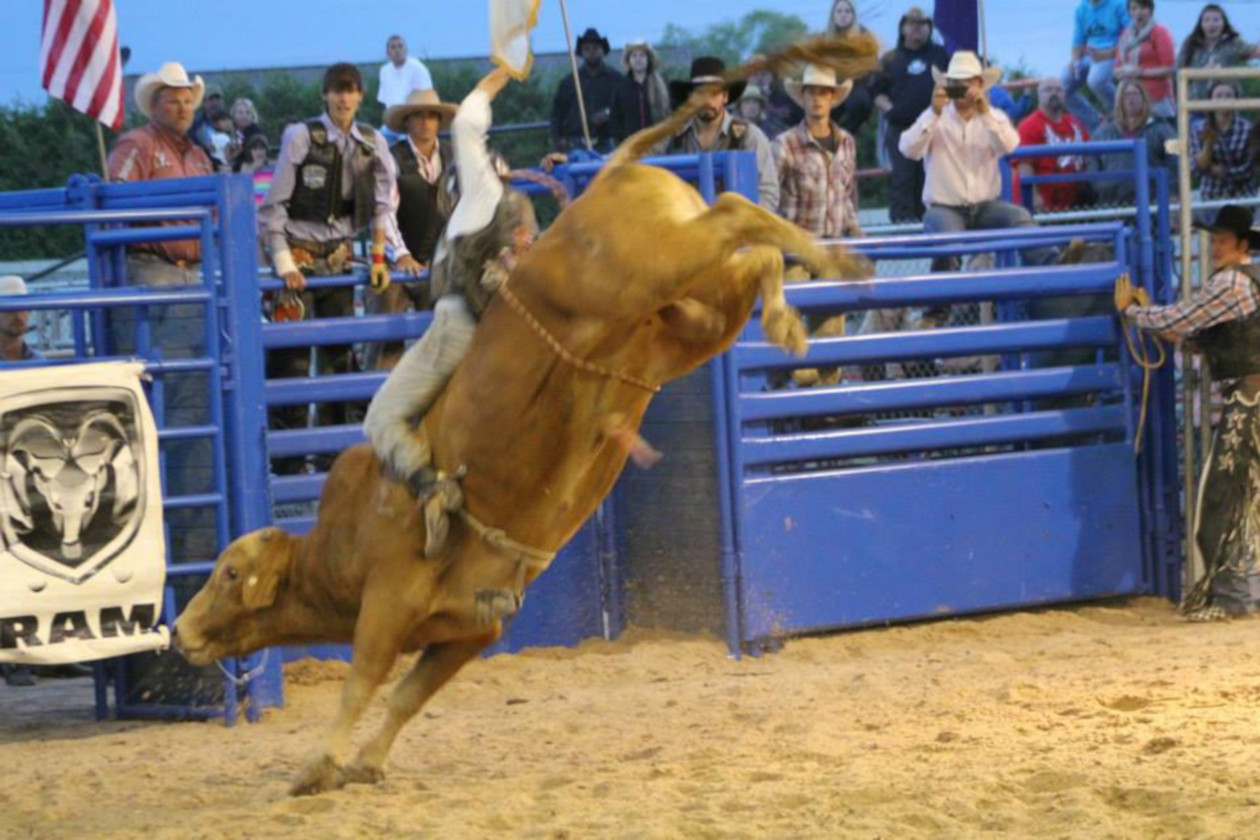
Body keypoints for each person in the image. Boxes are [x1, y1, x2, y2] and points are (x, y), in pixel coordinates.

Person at [364, 68, 540, 555]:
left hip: (459, 325)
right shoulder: (521, 220)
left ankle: (432, 487)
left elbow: (465, 125)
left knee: (383, 418)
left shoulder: (480, 195)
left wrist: (498, 77)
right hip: (502, 334)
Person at [259, 62, 411, 474]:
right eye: (337, 91)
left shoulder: (371, 143)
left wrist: (378, 256)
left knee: (338, 356)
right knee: (290, 357)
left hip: (340, 258)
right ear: (326, 96)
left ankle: (333, 456)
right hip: (299, 253)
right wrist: (284, 261)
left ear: (361, 96)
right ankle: (286, 461)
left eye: (351, 91)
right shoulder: (300, 137)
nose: (344, 98)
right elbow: (273, 207)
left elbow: (383, 203)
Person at [1119, 205, 1260, 621]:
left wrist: (1133, 313)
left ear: (1241, 245)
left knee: (1222, 498)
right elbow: (1192, 332)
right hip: (1248, 395)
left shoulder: (1231, 284)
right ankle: (1238, 593)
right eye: (1214, 240)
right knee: (1241, 499)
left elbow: (1181, 317)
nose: (1215, 247)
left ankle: (1233, 597)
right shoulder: (1246, 282)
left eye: (1222, 241)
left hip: (1249, 401)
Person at [107, 62, 217, 564]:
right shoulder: (137, 146)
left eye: (187, 99)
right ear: (153, 105)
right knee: (171, 395)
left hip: (190, 274)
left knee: (194, 398)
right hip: (151, 269)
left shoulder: (198, 154)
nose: (182, 107)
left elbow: (214, 212)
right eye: (172, 100)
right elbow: (114, 199)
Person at [900, 51, 1055, 273]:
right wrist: (934, 112)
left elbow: (1010, 145)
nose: (962, 88)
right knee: (948, 246)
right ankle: (940, 305)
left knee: (1019, 217)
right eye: (956, 83)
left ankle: (1056, 265)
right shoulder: (934, 116)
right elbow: (907, 149)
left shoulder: (994, 116)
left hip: (986, 206)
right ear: (948, 86)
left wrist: (985, 113)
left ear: (979, 85)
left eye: (967, 82)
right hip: (945, 207)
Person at [370, 88, 459, 370]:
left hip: (440, 263)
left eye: (431, 116)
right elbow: (382, 210)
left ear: (438, 122)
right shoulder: (391, 158)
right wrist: (401, 255)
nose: (425, 122)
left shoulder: (454, 156)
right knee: (386, 343)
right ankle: (372, 404)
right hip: (398, 265)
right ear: (406, 121)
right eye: (418, 116)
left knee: (443, 344)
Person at [662, 56, 779, 211]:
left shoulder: (750, 136)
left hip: (736, 230)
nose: (707, 101)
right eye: (701, 93)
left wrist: (742, 221)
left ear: (725, 96)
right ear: (690, 97)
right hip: (686, 230)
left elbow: (768, 193)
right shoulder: (671, 137)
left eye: (714, 93)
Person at [872, 7, 949, 223]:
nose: (917, 28)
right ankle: (902, 230)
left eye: (922, 24)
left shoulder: (941, 55)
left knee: (931, 178)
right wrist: (891, 110)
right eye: (912, 24)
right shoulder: (889, 58)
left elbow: (954, 84)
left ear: (929, 28)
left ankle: (933, 225)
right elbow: (875, 92)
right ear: (903, 28)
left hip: (934, 128)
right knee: (903, 178)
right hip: (901, 128)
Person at [773, 64, 861, 240]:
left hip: (837, 245)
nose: (817, 99)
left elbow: (846, 196)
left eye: (823, 93)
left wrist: (854, 229)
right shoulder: (783, 144)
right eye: (811, 92)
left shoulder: (847, 142)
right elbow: (769, 197)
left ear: (832, 98)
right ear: (803, 98)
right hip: (799, 248)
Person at [1091, 79, 1178, 205]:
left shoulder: (1164, 129)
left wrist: (1172, 192)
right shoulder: (1102, 133)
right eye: (1126, 95)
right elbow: (1092, 161)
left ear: (1144, 98)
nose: (1131, 99)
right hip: (1113, 203)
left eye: (1135, 94)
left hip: (1152, 202)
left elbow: (1178, 158)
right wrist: (1102, 186)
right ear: (1119, 100)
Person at [1016, 77, 1092, 212]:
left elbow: (1089, 158)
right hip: (1043, 206)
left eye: (1058, 90)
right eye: (1048, 90)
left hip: (1074, 205)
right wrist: (1034, 198)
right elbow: (1024, 166)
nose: (1054, 93)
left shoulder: (1076, 124)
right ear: (1039, 96)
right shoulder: (1028, 126)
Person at [550, 28, 624, 153]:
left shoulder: (616, 80)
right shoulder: (569, 82)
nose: (591, 52)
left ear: (602, 50)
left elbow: (625, 108)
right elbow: (557, 114)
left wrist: (608, 114)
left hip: (607, 141)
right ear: (582, 52)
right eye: (587, 49)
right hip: (576, 142)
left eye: (595, 48)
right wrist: (559, 139)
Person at [1062, 0, 1130, 131]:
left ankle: (1121, 114)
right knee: (1062, 85)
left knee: (1096, 80)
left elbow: (1132, 34)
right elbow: (1077, 41)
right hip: (1090, 56)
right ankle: (1095, 122)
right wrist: (1075, 61)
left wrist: (1109, 53)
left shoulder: (1119, 5)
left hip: (1115, 52)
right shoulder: (1082, 8)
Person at [1178, 5, 1260, 103]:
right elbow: (1177, 70)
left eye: (1216, 20)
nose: (1211, 24)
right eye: (1207, 20)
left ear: (1223, 23)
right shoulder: (1190, 43)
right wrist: (1200, 72)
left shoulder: (1233, 42)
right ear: (1201, 24)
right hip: (1195, 102)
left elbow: (1254, 51)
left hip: (1227, 102)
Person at [1191, 81, 1257, 203]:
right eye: (1219, 96)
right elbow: (1197, 168)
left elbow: (1249, 168)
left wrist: (1223, 172)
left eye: (1228, 95)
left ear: (1236, 100)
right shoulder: (1199, 129)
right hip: (1211, 197)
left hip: (1244, 197)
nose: (1223, 99)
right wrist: (1208, 145)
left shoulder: (1248, 128)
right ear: (1210, 100)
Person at [1114, 0, 1176, 120]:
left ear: (1151, 10)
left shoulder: (1160, 32)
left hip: (1157, 99)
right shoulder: (1125, 36)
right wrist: (1121, 72)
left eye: (1143, 8)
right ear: (1129, 12)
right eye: (1134, 8)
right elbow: (1117, 66)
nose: (1139, 13)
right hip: (1130, 100)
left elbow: (1169, 68)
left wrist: (1140, 72)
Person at [824, 0, 876, 136]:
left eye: (847, 11)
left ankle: (845, 134)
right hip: (831, 86)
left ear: (853, 15)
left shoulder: (865, 37)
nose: (843, 15)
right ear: (833, 15)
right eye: (839, 11)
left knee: (860, 101)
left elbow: (871, 66)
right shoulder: (824, 39)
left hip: (856, 85)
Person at [609, 39, 670, 145]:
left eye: (642, 55)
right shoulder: (621, 89)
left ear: (648, 59)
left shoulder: (660, 87)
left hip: (657, 145)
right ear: (629, 61)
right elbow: (615, 121)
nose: (638, 59)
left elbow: (667, 116)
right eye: (634, 56)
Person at [378, 34, 433, 141]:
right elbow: (386, 103)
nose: (397, 50)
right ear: (388, 52)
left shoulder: (418, 68)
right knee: (377, 142)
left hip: (413, 122)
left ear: (406, 50)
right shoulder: (384, 71)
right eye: (393, 47)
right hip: (392, 124)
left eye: (400, 46)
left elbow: (426, 99)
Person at [0, 275, 42, 362]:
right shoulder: (36, 360)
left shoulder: (37, 360)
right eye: (10, 308)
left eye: (22, 307)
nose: (17, 315)